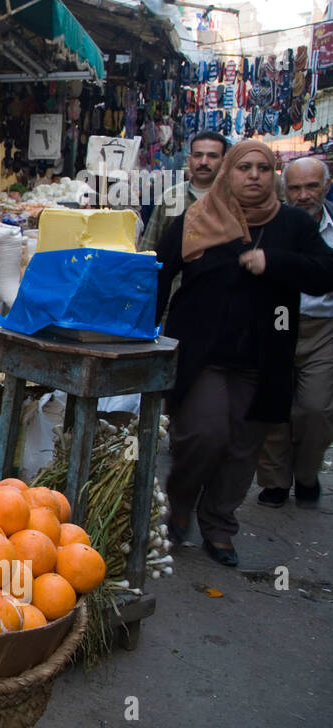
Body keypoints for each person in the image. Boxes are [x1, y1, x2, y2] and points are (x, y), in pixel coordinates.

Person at [154, 140, 333, 567]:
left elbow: (325, 273)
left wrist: (275, 262)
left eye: (263, 168)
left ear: (274, 176)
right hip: (202, 353)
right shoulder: (195, 220)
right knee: (205, 433)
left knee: (242, 447)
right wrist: (145, 334)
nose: (253, 175)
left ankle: (219, 524)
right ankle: (180, 501)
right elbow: (159, 274)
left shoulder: (293, 226)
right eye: (243, 167)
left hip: (265, 354)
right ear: (226, 175)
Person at [255, 156, 333, 508]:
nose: (303, 195)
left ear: (326, 187)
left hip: (324, 327)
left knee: (315, 409)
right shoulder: (270, 223)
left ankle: (305, 474)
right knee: (273, 401)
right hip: (280, 317)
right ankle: (274, 482)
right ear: (284, 189)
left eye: (311, 186)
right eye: (296, 188)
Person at [139, 130, 229, 253]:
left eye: (212, 156)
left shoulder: (233, 200)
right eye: (198, 155)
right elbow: (148, 248)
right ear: (189, 160)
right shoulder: (171, 197)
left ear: (224, 162)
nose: (204, 162)